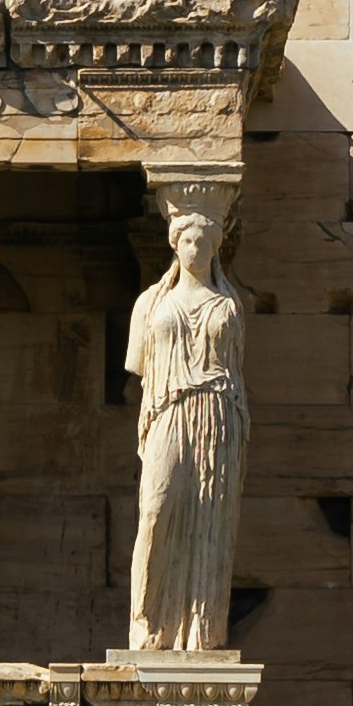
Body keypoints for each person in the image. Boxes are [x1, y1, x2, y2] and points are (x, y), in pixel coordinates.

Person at [123, 198, 249, 654]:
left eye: (204, 241)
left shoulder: (229, 305)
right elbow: (137, 363)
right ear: (175, 245)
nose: (195, 248)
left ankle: (198, 631)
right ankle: (147, 622)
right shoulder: (150, 303)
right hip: (168, 412)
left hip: (217, 416)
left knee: (210, 517)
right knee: (156, 508)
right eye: (187, 240)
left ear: (216, 248)